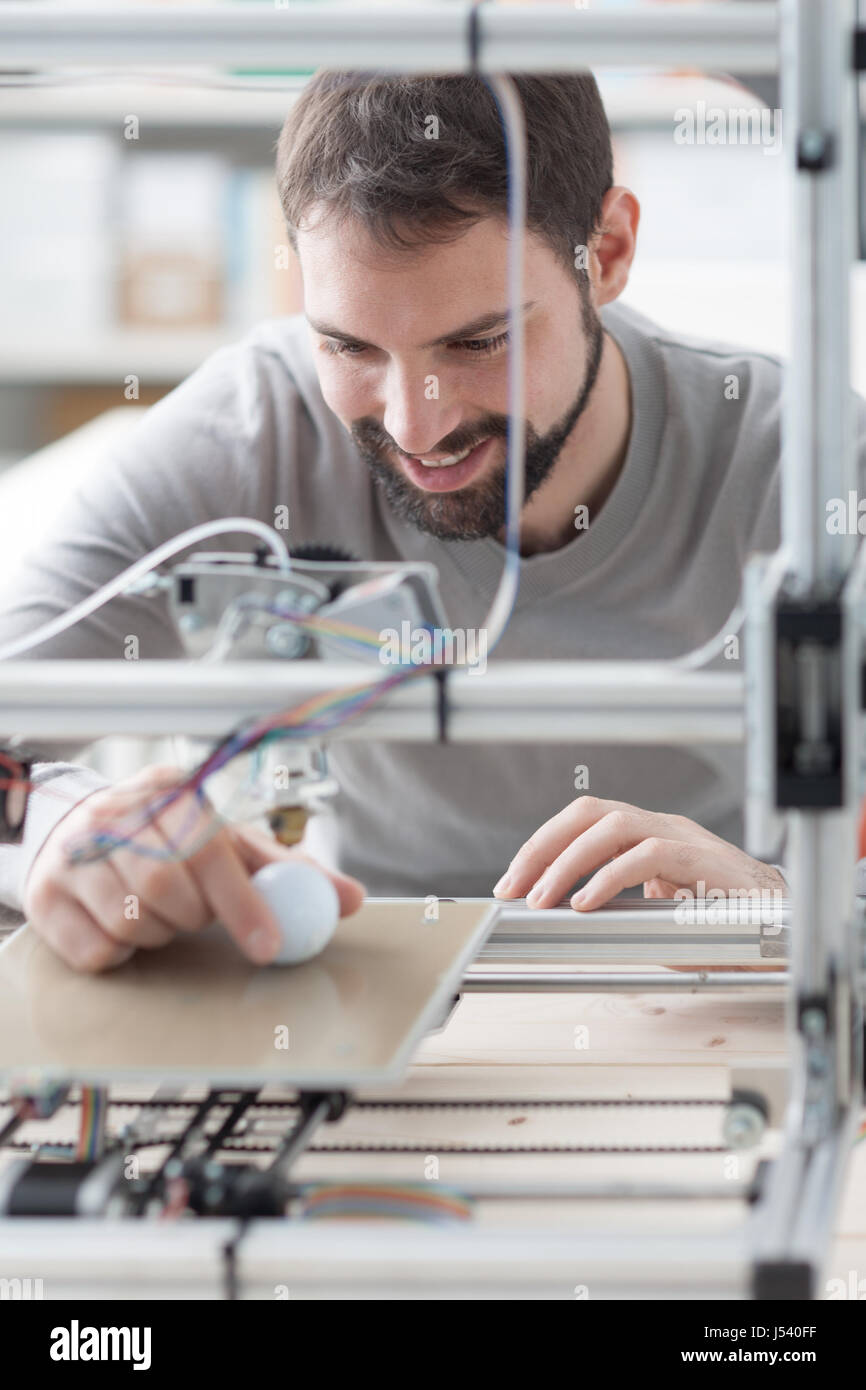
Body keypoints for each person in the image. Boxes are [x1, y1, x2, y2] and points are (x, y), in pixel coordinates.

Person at [0, 71, 861, 972]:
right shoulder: (250, 429)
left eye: (478, 342)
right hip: (333, 989)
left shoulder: (801, 461)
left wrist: (780, 904)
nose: (416, 426)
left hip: (686, 999)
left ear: (604, 252)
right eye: (348, 346)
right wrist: (58, 829)